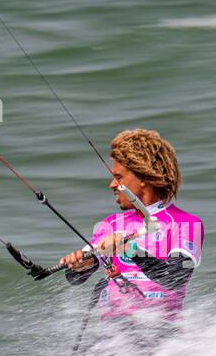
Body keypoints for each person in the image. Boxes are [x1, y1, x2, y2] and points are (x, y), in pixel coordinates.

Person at [59, 129, 203, 344]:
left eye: (118, 177)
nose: (112, 185)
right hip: (112, 340)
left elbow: (175, 277)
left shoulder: (185, 223)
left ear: (143, 177)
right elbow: (76, 277)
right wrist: (79, 264)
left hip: (161, 338)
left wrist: (130, 250)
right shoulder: (111, 224)